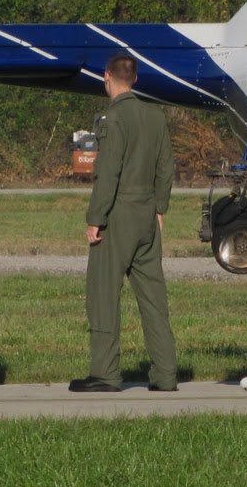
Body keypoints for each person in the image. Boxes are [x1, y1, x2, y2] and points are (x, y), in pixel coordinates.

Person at [69, 53, 180, 393]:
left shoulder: (113, 119)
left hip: (118, 213)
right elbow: (166, 168)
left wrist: (95, 218)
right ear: (135, 79)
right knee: (152, 297)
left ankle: (105, 373)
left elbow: (109, 173)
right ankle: (165, 373)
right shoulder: (154, 116)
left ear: (107, 77)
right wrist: (159, 207)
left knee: (103, 292)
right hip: (147, 212)